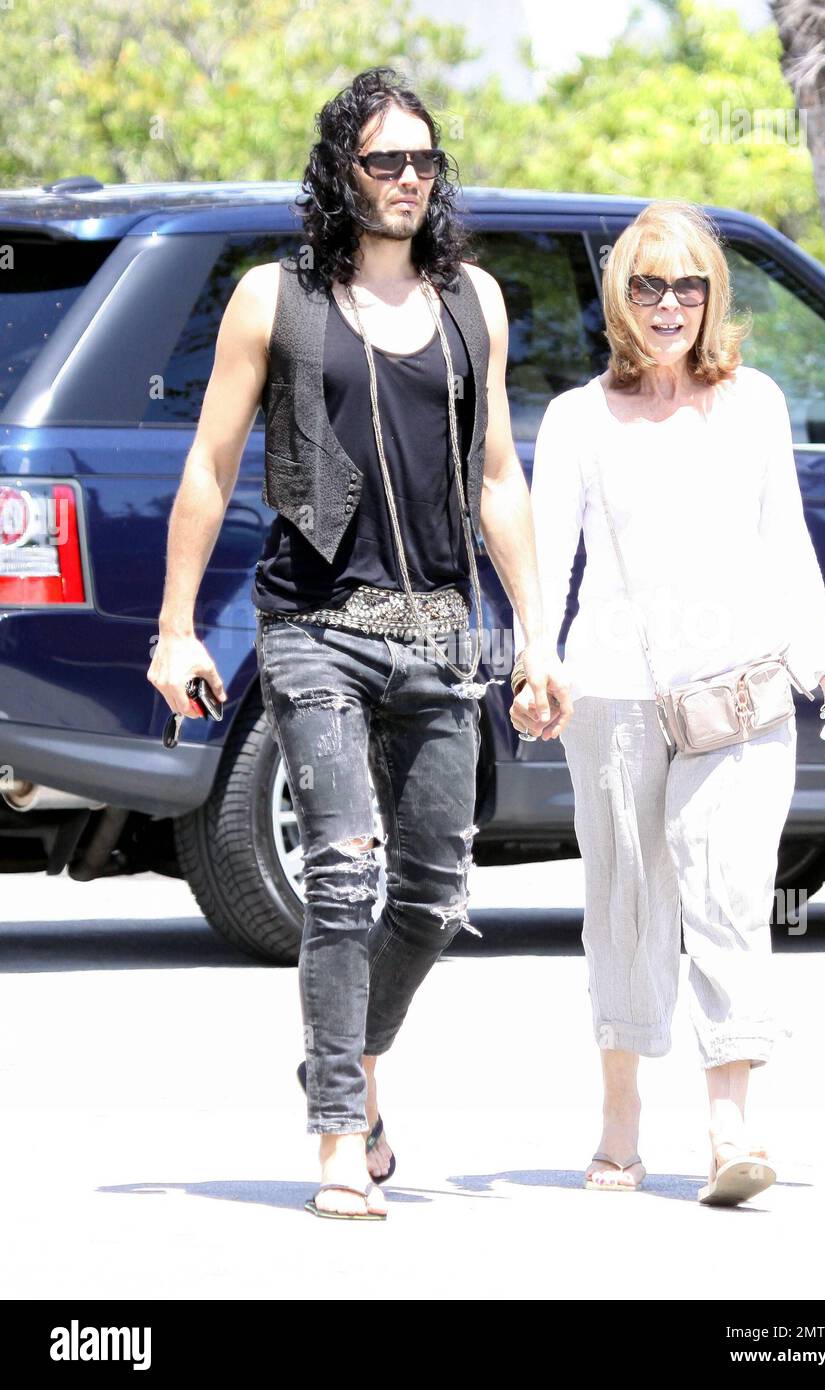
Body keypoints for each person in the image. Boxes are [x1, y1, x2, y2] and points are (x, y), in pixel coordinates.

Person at [148, 66, 571, 1221]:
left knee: (433, 893)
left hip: (442, 630)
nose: (406, 181)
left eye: (423, 162)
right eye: (384, 161)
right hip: (313, 629)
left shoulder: (472, 301)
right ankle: (339, 1127)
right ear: (342, 170)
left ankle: (341, 1056)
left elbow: (498, 477)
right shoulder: (271, 299)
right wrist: (177, 624)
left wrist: (536, 637)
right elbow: (210, 465)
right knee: (343, 869)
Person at [509, 199, 825, 1206]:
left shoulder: (752, 401)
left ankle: (728, 1129)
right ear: (621, 299)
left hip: (745, 693)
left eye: (688, 285)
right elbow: (547, 554)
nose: (669, 304)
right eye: (647, 285)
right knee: (625, 906)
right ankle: (620, 1121)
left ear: (713, 296)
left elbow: (786, 545)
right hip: (616, 694)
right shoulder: (581, 417)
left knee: (726, 900)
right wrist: (538, 664)